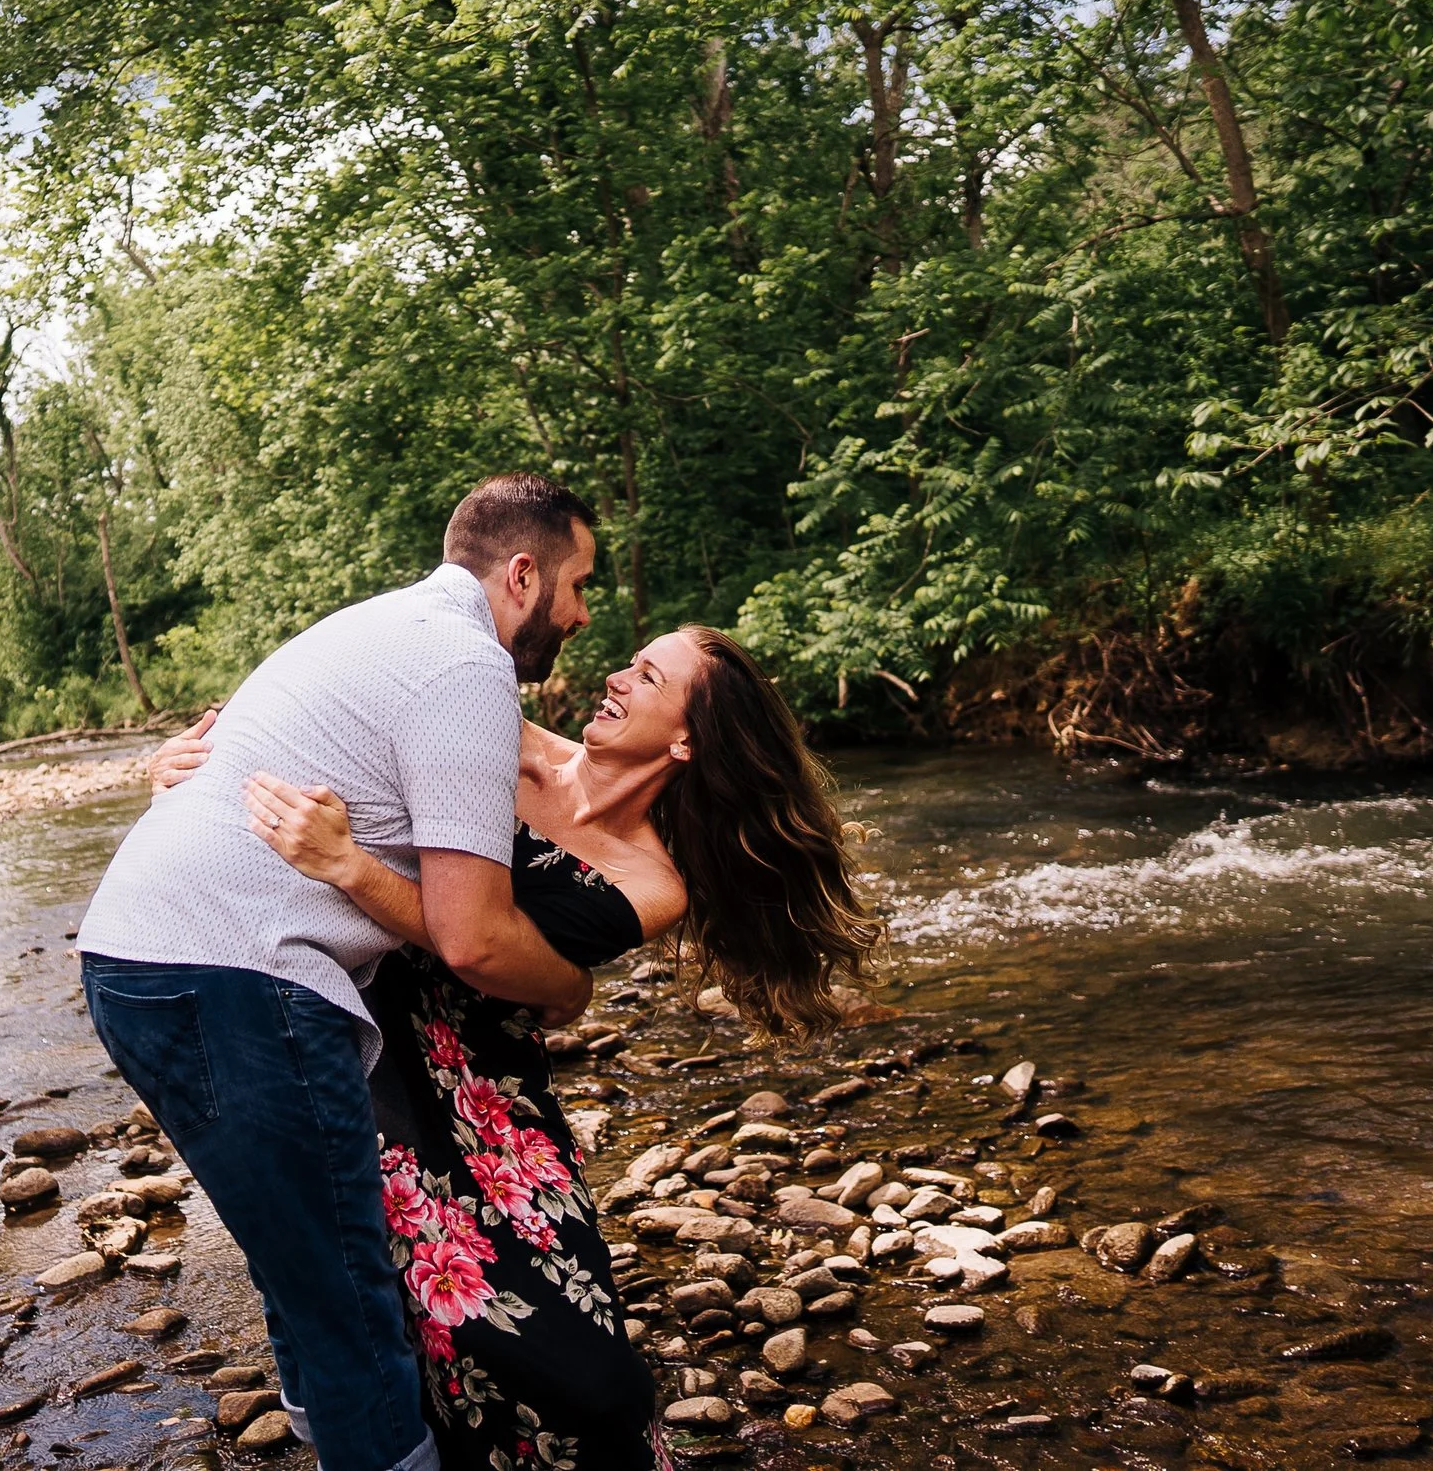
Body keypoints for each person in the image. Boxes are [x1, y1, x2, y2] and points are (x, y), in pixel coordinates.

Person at [153, 626, 876, 1471]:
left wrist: (354, 867)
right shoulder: (500, 734)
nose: (614, 675)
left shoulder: (652, 883)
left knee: (594, 1373)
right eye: (628, 659)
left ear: (686, 737)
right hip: (366, 1052)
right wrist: (190, 761)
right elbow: (316, 709)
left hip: (498, 1101)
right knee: (431, 1330)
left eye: (645, 675)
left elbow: (487, 949)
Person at [77, 473, 605, 1471]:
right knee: (350, 1300)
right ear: (523, 572)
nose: (581, 612)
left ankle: (330, 1441)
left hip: (136, 957)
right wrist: (569, 985)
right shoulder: (462, 663)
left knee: (300, 1267)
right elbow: (472, 938)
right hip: (228, 974)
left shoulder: (374, 626)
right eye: (578, 583)